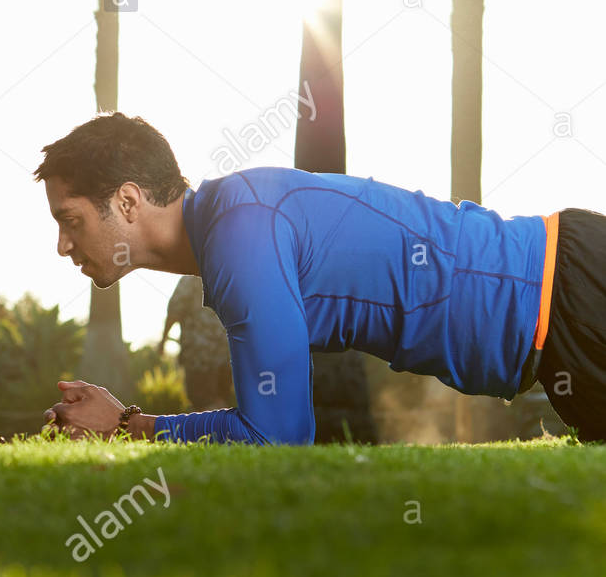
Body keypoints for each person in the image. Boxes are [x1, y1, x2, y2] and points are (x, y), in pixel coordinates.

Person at [39, 112, 606, 445]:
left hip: (573, 293)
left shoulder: (240, 232)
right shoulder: (232, 225)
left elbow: (277, 435)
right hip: (558, 330)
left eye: (71, 220)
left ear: (129, 202)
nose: (63, 244)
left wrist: (127, 425)